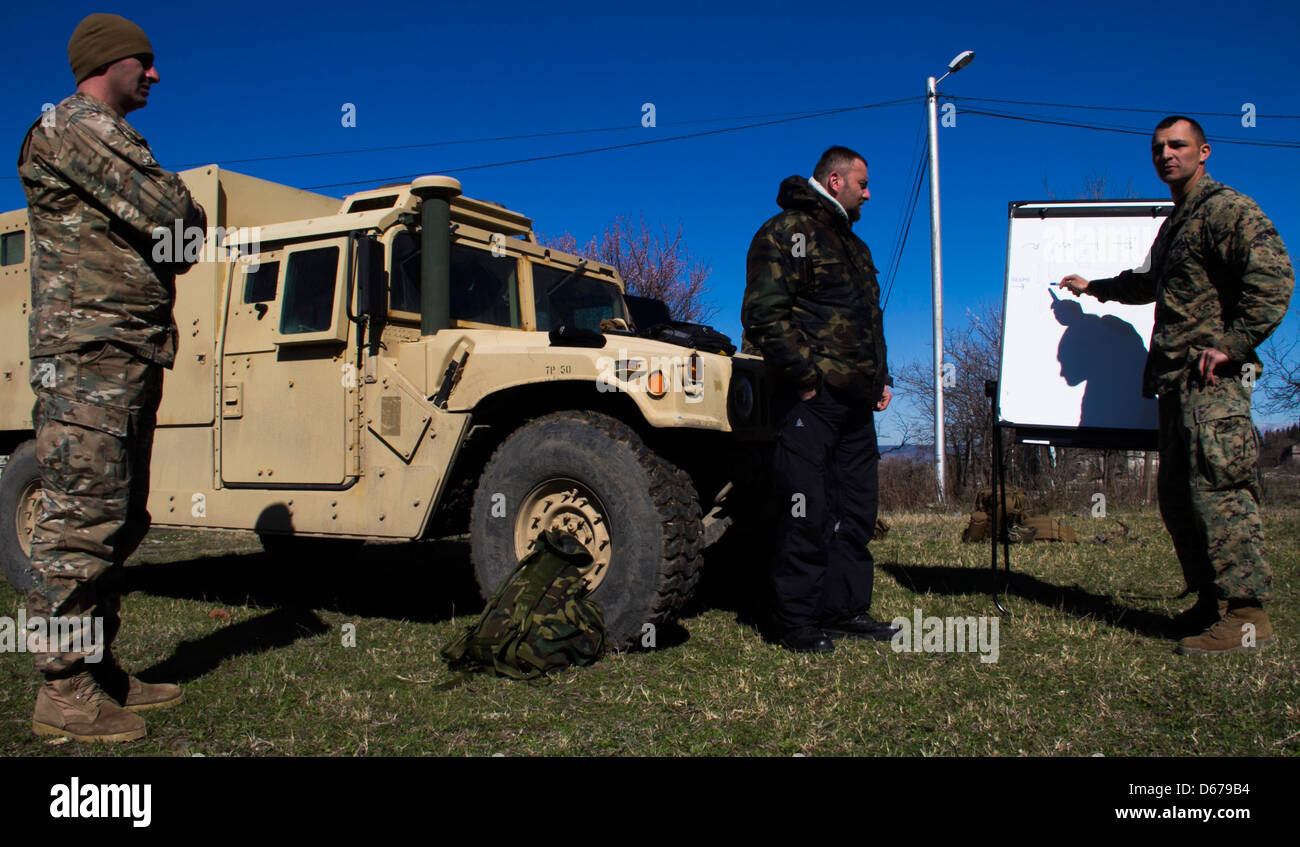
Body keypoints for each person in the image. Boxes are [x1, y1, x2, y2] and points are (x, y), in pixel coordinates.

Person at [18, 13, 206, 740]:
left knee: (121, 518)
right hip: (85, 356)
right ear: (106, 62)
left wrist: (180, 214)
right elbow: (176, 216)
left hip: (125, 351)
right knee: (82, 518)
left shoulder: (116, 138)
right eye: (144, 61)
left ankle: (95, 668)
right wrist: (178, 206)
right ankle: (62, 692)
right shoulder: (71, 130)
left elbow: (181, 233)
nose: (155, 74)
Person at [1060, 116, 1293, 655]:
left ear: (1203, 151)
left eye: (1178, 145)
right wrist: (1093, 288)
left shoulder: (1225, 209)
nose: (1167, 154)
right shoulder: (1176, 223)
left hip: (1213, 386)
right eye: (1159, 147)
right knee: (1179, 498)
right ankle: (1213, 604)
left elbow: (1275, 278)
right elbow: (1147, 284)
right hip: (1175, 384)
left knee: (1220, 493)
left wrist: (1232, 344)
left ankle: (1248, 614)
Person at [742, 146, 897, 653]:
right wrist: (804, 377)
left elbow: (868, 320)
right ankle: (795, 622)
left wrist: (881, 379)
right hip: (811, 398)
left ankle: (845, 610)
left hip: (856, 400)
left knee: (855, 510)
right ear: (835, 180)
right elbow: (764, 313)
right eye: (863, 184)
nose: (869, 194)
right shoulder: (785, 232)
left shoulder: (856, 247)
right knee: (805, 508)